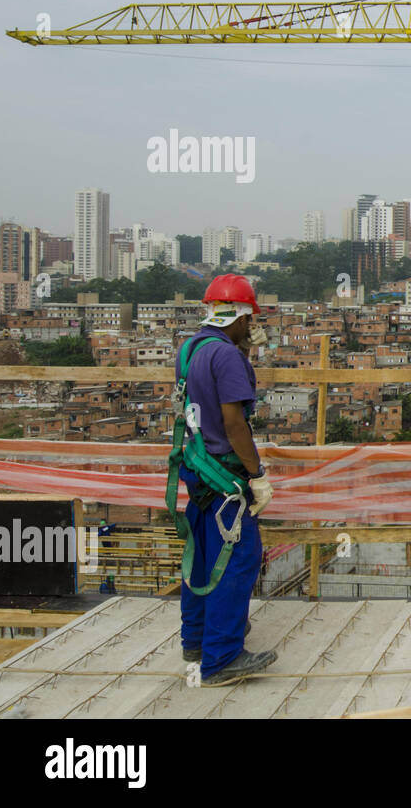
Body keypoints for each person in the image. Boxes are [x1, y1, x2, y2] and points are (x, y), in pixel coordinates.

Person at [167, 274, 277, 686]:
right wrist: (257, 474)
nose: (252, 328)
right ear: (241, 315)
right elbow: (234, 423)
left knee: (202, 558)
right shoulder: (228, 357)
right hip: (224, 472)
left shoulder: (190, 348)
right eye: (249, 320)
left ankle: (195, 642)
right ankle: (222, 658)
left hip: (196, 471)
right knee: (238, 559)